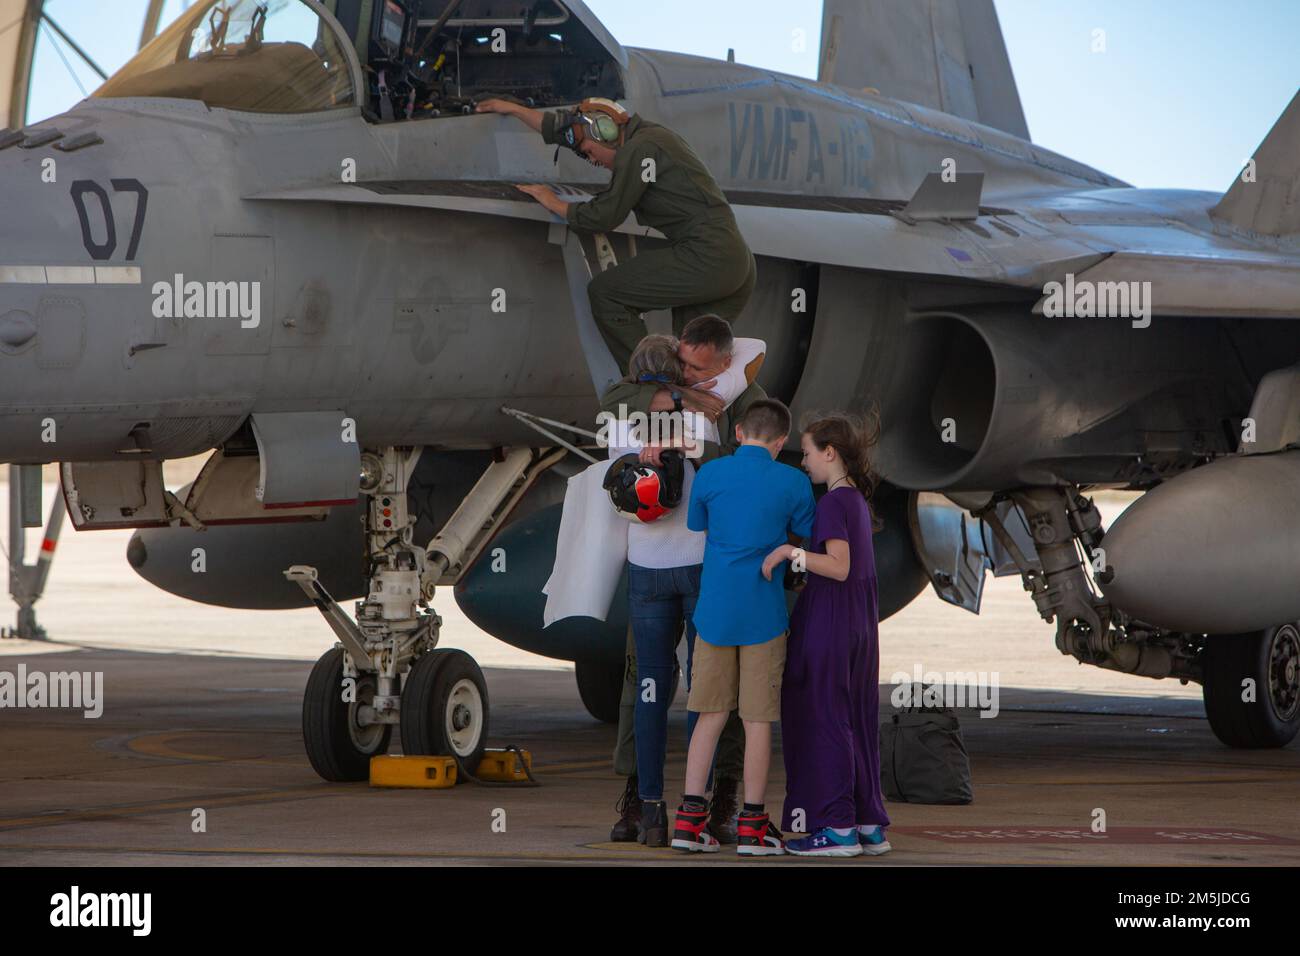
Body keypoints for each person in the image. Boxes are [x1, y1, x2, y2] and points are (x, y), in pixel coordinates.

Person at [600, 315, 764, 843]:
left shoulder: (621, 421)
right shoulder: (702, 416)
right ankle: (709, 802)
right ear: (674, 371)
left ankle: (648, 809)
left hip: (644, 571)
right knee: (710, 687)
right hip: (701, 567)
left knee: (647, 688)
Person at [475, 96, 757, 373]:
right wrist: (513, 108)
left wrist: (554, 203)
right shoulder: (651, 137)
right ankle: (716, 410)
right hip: (734, 261)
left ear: (606, 131)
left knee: (607, 293)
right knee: (693, 367)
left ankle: (651, 385)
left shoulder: (639, 149)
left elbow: (604, 215)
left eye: (587, 150)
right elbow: (572, 130)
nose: (591, 160)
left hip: (708, 255)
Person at [672, 399, 815, 856]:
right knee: (757, 722)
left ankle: (689, 823)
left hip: (714, 613)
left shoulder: (710, 474)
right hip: (763, 616)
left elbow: (698, 524)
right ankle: (753, 827)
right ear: (781, 441)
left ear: (737, 433)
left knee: (709, 717)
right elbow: (806, 532)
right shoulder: (792, 480)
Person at [761, 413, 892, 857]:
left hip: (830, 622)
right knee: (855, 718)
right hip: (858, 626)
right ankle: (867, 821)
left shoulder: (834, 503)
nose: (805, 462)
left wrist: (789, 552)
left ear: (830, 452)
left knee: (823, 718)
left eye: (810, 451)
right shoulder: (854, 500)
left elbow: (838, 566)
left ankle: (836, 828)